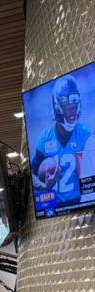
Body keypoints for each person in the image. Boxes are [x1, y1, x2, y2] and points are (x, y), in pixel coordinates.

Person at [30, 75, 92, 208]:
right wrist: (44, 186)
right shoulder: (46, 137)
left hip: (80, 203)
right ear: (57, 107)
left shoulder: (85, 135)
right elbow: (33, 174)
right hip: (53, 204)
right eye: (68, 107)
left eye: (75, 106)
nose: (73, 111)